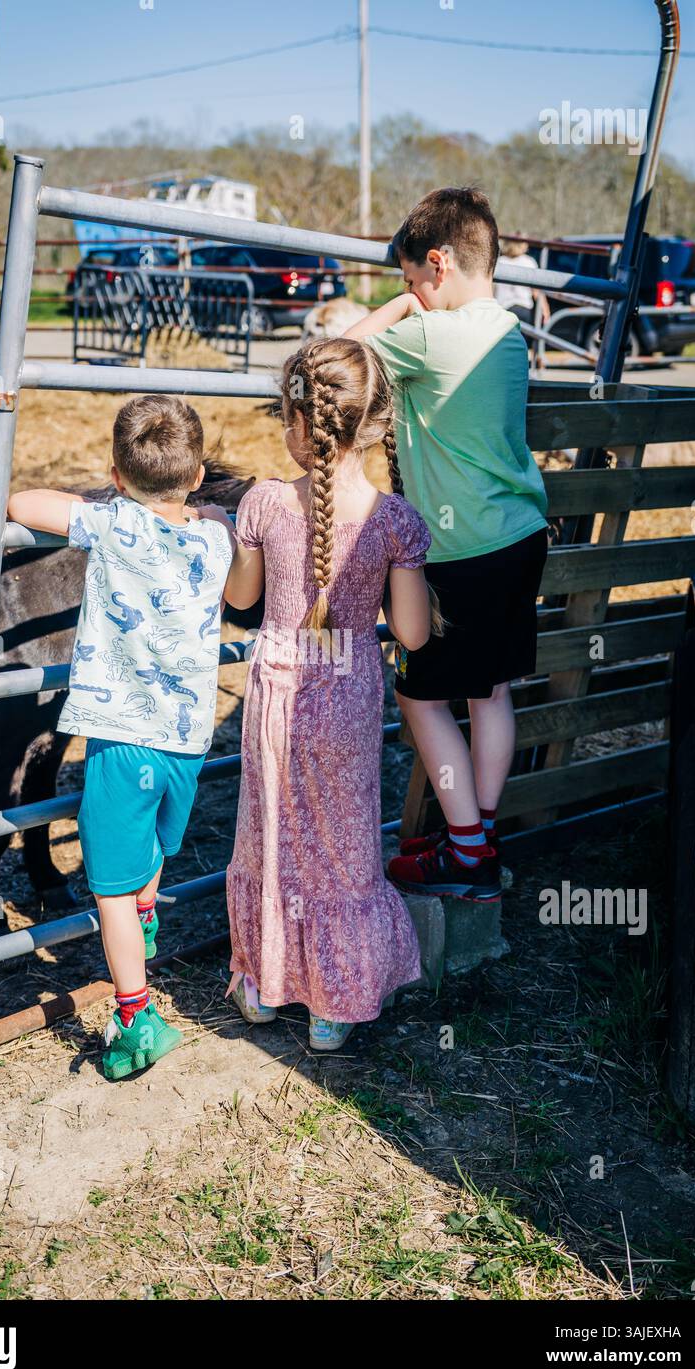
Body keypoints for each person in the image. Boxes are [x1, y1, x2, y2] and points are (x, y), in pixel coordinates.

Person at [7, 395, 234, 1079]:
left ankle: (135, 1020)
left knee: (107, 888)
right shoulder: (215, 535)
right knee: (150, 856)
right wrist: (215, 513)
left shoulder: (107, 523)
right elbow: (237, 572)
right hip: (190, 740)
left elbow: (21, 503)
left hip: (122, 737)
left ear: (114, 473)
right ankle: (145, 917)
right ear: (197, 476)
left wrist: (102, 497)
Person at [224, 338, 430, 1052]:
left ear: (301, 423)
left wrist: (238, 543)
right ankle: (331, 1005)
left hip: (276, 690)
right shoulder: (394, 520)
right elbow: (411, 632)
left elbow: (240, 599)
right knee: (341, 845)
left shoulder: (263, 503)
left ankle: (260, 983)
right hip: (345, 695)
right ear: (374, 423)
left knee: (268, 831)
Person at [344, 186, 549, 900]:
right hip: (521, 538)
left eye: (410, 280)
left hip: (462, 559)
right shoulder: (509, 332)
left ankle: (466, 853)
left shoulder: (430, 332)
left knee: (421, 697)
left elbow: (334, 358)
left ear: (437, 265)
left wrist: (401, 306)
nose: (409, 296)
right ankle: (480, 830)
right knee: (490, 692)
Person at [494, 234, 551, 331]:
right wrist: (545, 311)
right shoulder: (529, 262)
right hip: (523, 308)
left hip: (503, 309)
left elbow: (492, 290)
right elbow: (536, 291)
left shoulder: (499, 262)